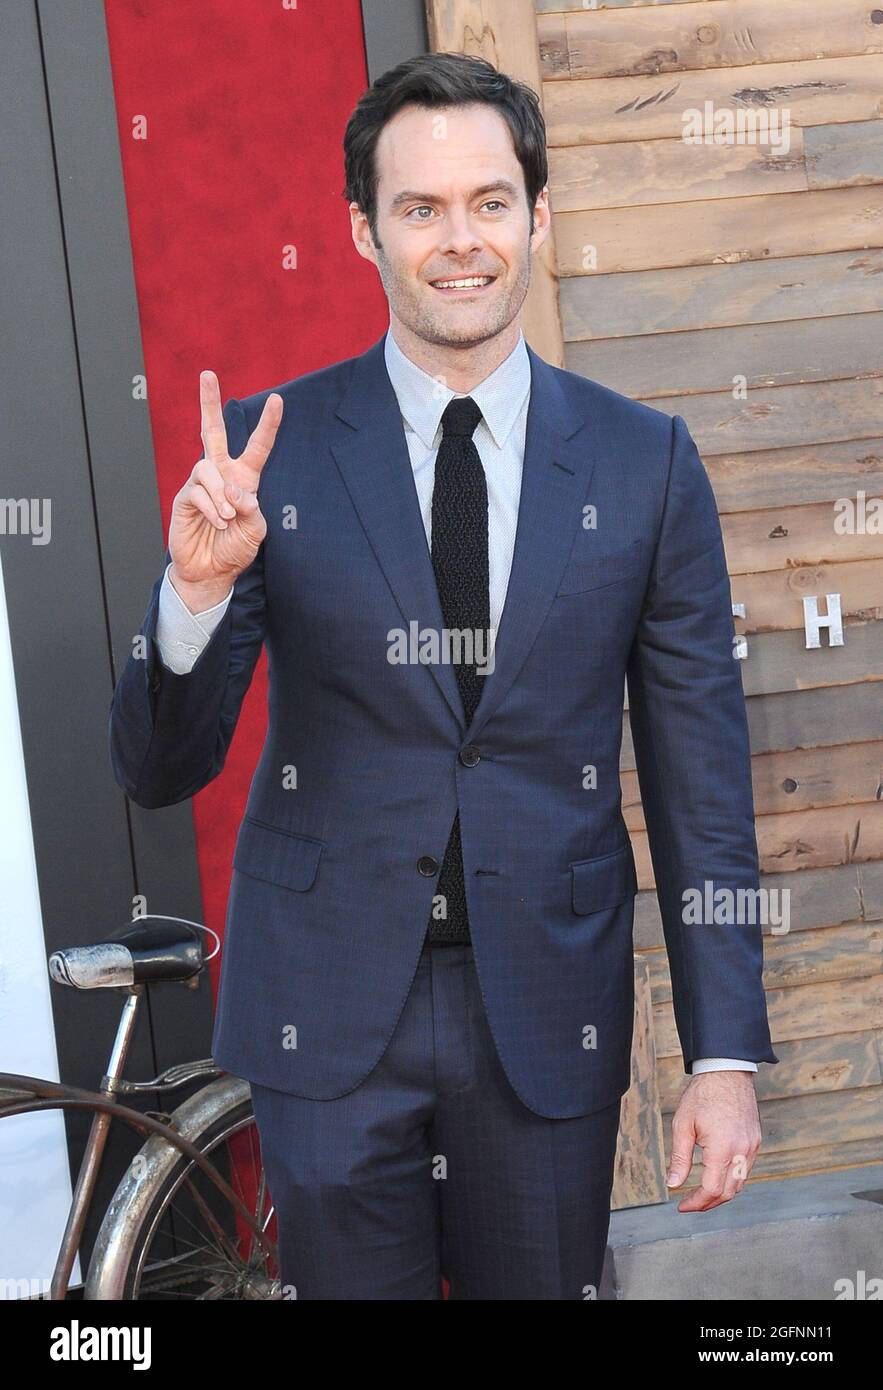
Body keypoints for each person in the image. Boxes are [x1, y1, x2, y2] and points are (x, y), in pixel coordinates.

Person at [109, 52, 778, 1300]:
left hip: (546, 1005)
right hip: (329, 1006)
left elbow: (703, 786)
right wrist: (193, 595)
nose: (458, 240)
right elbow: (160, 766)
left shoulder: (647, 463)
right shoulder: (275, 452)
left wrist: (724, 1051)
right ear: (363, 231)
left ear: (537, 214)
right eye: (419, 208)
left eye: (488, 201)